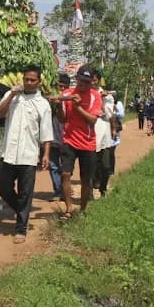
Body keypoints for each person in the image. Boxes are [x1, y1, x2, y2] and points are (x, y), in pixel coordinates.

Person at [0, 64, 53, 243]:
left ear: (39, 82)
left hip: (28, 155)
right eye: (26, 79)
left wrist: (46, 154)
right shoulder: (12, 97)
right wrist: (11, 94)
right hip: (8, 153)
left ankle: (21, 227)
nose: (28, 83)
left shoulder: (43, 104)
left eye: (32, 80)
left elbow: (46, 132)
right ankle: (20, 209)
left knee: (25, 192)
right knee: (4, 189)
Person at [53, 65, 102, 219]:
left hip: (88, 143)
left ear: (91, 83)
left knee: (85, 179)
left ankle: (82, 209)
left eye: (87, 82)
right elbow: (63, 119)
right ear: (76, 79)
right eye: (81, 81)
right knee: (65, 174)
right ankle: (68, 209)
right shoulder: (67, 94)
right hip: (69, 140)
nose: (83, 85)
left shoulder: (95, 96)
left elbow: (93, 120)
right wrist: (58, 107)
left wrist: (78, 107)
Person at [47, 72, 71, 202]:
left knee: (65, 167)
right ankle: (58, 190)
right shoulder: (50, 101)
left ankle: (65, 189)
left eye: (64, 87)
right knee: (53, 166)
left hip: (66, 138)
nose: (61, 89)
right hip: (52, 138)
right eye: (59, 86)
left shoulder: (70, 100)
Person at [93, 81, 117, 200]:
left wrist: (113, 129)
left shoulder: (108, 97)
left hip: (105, 135)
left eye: (95, 79)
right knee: (92, 165)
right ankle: (90, 191)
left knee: (106, 166)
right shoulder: (87, 95)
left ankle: (103, 188)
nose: (93, 82)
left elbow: (109, 115)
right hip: (91, 135)